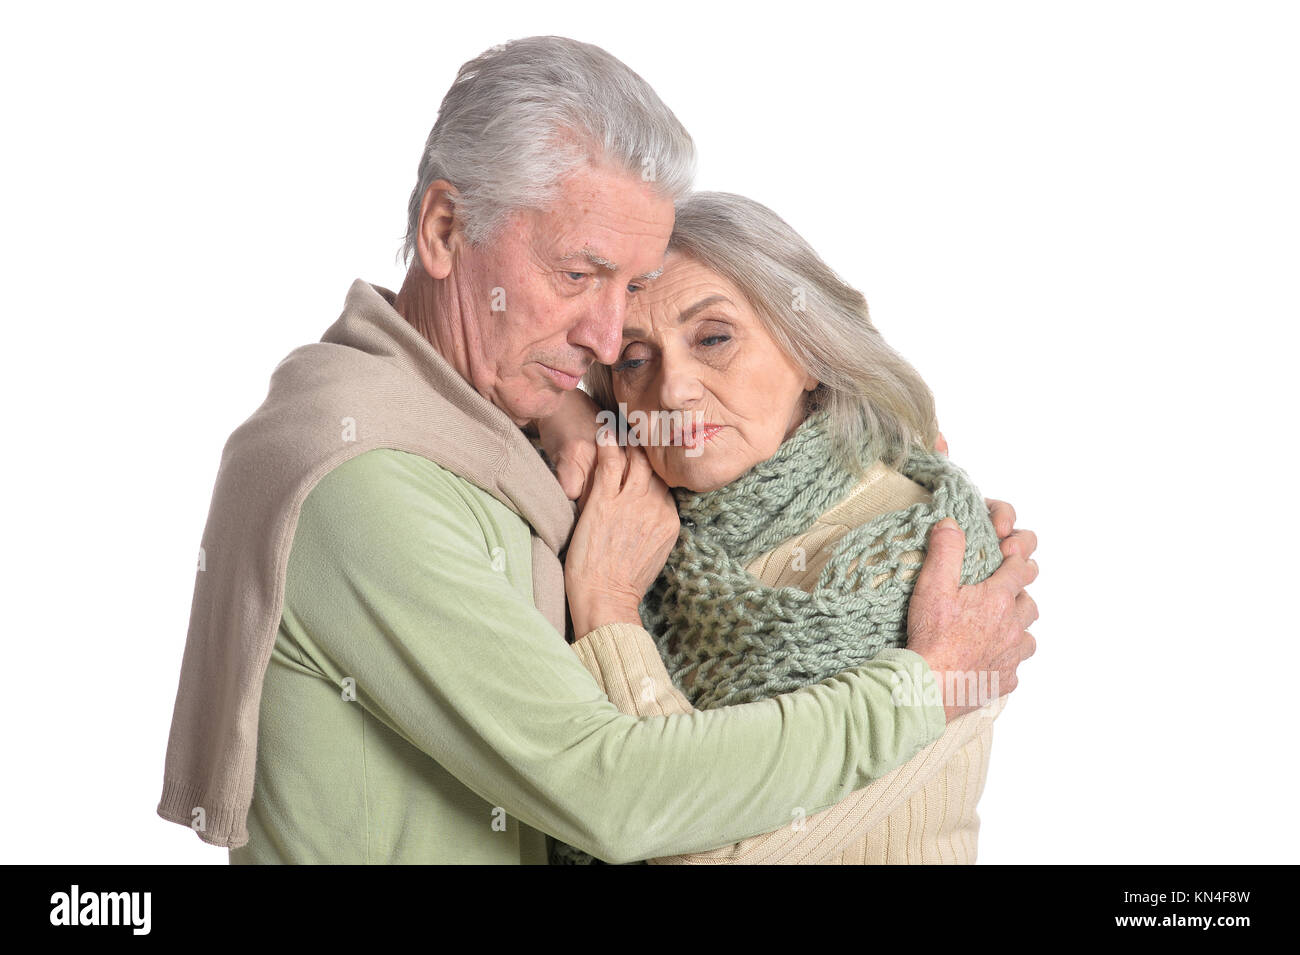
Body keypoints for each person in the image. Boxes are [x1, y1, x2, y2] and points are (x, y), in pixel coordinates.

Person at [156, 36, 1038, 864]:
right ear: (444, 229)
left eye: (629, 287)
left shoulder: (521, 441)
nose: (609, 341)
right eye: (577, 274)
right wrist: (926, 686)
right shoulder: (368, 477)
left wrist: (565, 411)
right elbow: (613, 790)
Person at [546, 191, 1038, 864]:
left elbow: (707, 848)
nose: (674, 389)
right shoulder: (626, 513)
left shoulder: (919, 548)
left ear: (807, 352)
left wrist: (606, 603)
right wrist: (558, 409)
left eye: (713, 338)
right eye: (634, 359)